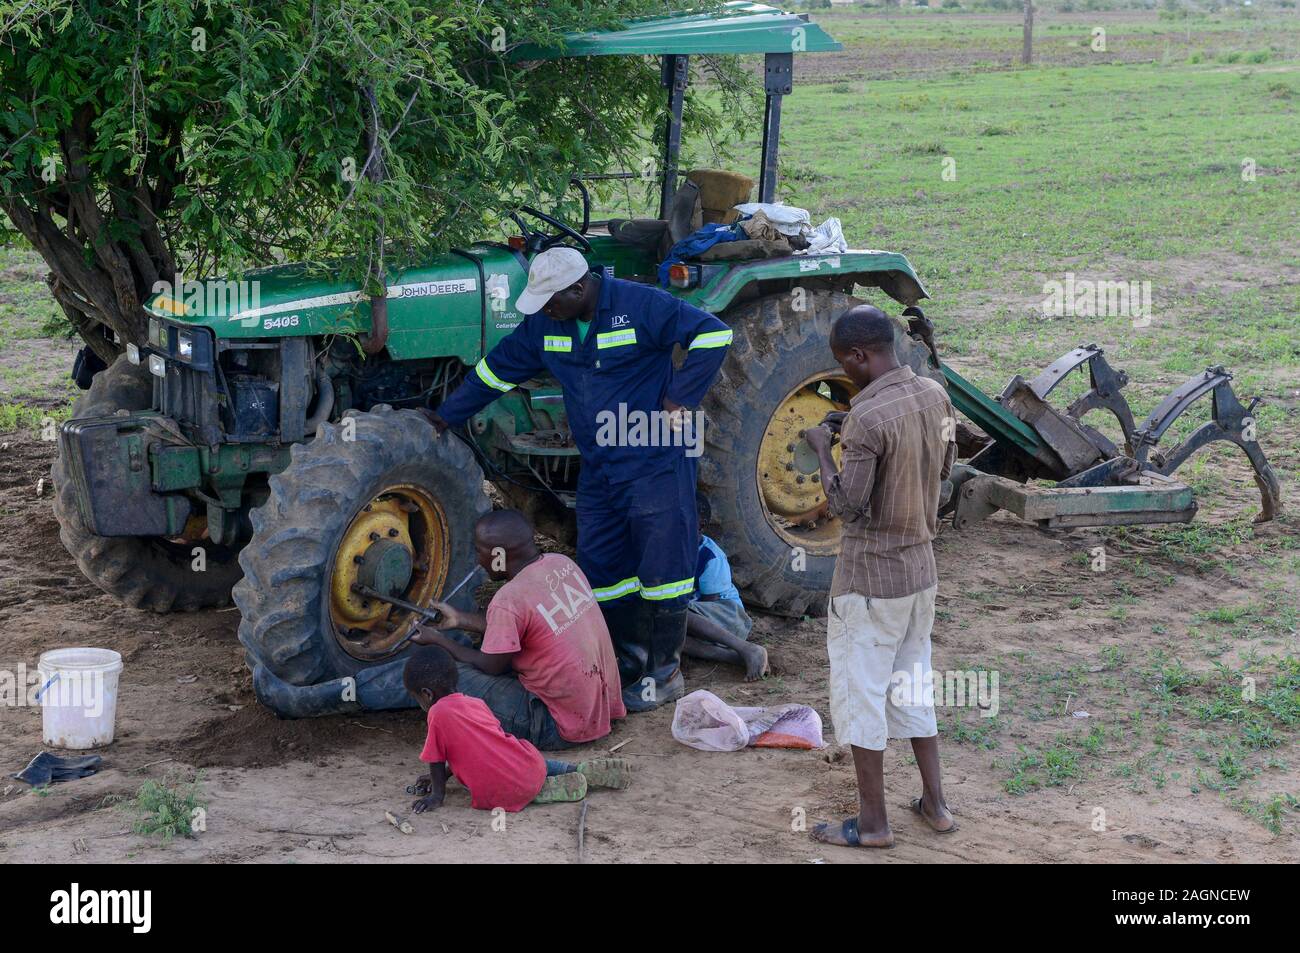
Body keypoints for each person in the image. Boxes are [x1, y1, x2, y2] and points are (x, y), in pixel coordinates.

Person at [425, 246, 732, 712]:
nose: (548, 310)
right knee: (603, 567)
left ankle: (664, 672)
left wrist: (678, 398)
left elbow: (713, 334)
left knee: (663, 568)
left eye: (553, 301)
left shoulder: (640, 305)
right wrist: (446, 416)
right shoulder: (548, 323)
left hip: (655, 461)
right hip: (600, 468)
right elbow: (496, 371)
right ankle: (626, 660)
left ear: (580, 287)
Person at [801, 304, 958, 848]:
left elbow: (848, 505)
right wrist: (859, 440)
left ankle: (872, 825)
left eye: (845, 362)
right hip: (921, 570)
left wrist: (826, 450)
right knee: (913, 685)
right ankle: (936, 804)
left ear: (859, 355)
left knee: (861, 696)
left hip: (870, 582)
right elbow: (941, 468)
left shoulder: (867, 418)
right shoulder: (935, 394)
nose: (844, 371)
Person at [412, 509, 625, 750]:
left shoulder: (509, 598)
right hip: (600, 710)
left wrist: (438, 640)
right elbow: (528, 623)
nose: (477, 559)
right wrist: (460, 619)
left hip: (556, 726)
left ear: (499, 556)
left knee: (434, 672)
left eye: (479, 550)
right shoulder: (561, 564)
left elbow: (490, 665)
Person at [402, 645, 631, 814]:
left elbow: (436, 759)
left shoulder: (437, 714)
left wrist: (437, 794)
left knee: (512, 787)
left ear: (427, 694)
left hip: (501, 787)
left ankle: (545, 791)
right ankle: (574, 769)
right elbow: (479, 747)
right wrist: (443, 775)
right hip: (526, 762)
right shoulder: (475, 703)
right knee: (531, 761)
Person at [682, 497, 768, 681]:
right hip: (698, 620)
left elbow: (709, 605)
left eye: (685, 518)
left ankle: (746, 648)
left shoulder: (710, 556)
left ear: (701, 524)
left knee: (675, 615)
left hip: (729, 617)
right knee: (666, 632)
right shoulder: (674, 551)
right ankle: (735, 657)